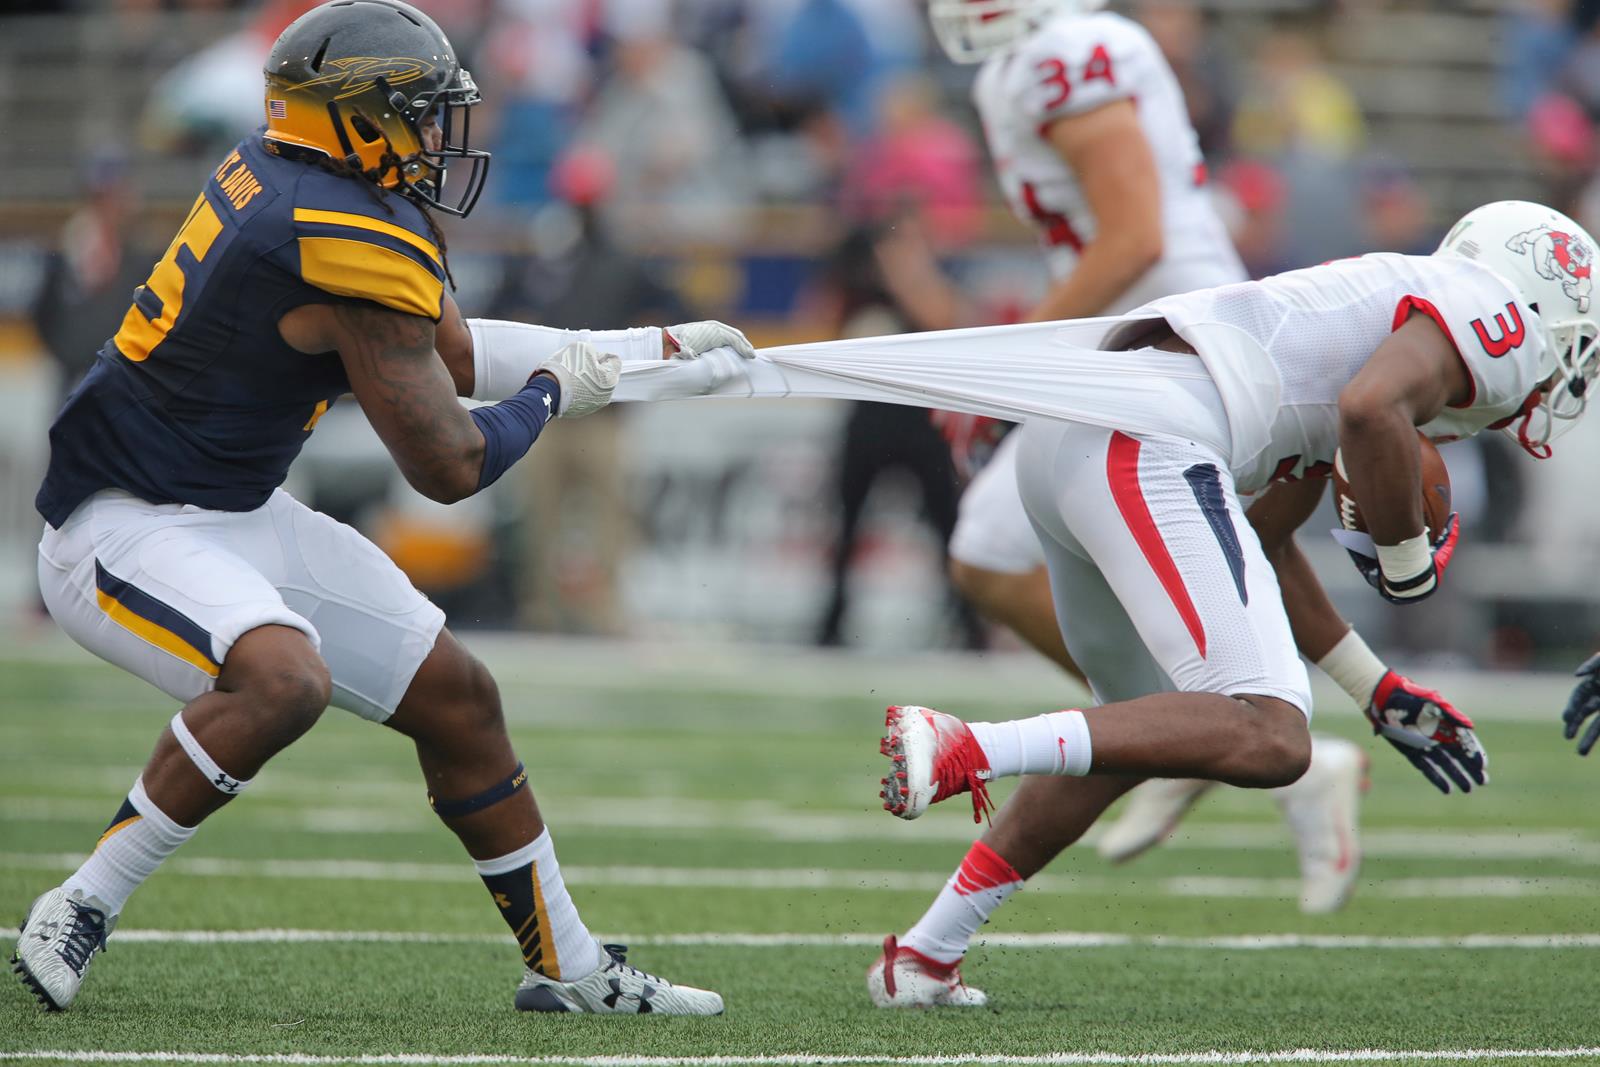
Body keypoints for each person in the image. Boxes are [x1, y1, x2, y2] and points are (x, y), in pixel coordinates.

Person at [606, 198, 1598, 1008]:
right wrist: (1406, 559)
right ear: (1548, 299)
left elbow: (1260, 537)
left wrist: (1373, 685)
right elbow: (1368, 409)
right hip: (1149, 435)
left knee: (1144, 730)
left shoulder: (1393, 301)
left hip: (1088, 434)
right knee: (1272, 737)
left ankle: (923, 954)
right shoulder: (1489, 314)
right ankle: (967, 745)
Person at [12, 0, 752, 1017]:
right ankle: (81, 900)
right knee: (283, 678)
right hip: (124, 522)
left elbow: (446, 350)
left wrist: (639, 358)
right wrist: (554, 395)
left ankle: (571, 968)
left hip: (233, 506)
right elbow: (448, 462)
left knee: (460, 697)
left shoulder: (305, 182)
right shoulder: (328, 230)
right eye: (417, 111)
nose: (439, 136)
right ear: (352, 117)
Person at [925, 0, 1369, 924]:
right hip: (1132, 353)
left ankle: (1202, 733)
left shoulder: (1072, 51)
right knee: (986, 554)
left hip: (1165, 360)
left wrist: (1007, 362)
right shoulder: (1038, 60)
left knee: (991, 550)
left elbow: (1135, 239)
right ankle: (1190, 734)